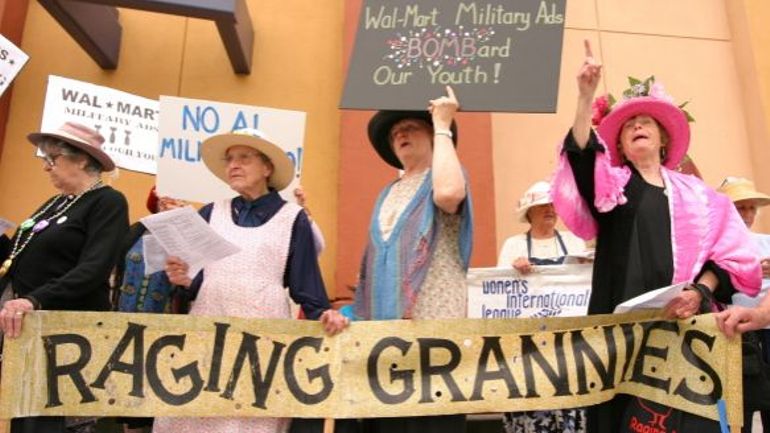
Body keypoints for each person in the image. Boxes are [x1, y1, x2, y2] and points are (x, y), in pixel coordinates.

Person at [551, 40, 761, 433]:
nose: (637, 126)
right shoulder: (611, 188)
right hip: (623, 335)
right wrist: (584, 96)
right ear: (619, 146)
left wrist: (699, 291)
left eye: (646, 122)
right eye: (629, 125)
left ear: (663, 140)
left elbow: (729, 258)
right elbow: (581, 158)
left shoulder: (703, 198)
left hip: (684, 330)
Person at [152, 128, 348, 433]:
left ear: (267, 168)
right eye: (230, 159)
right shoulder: (210, 212)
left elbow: (305, 282)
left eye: (244, 157)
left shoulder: (292, 218)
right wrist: (183, 279)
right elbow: (199, 279)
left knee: (248, 418)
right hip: (209, 326)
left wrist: (323, 313)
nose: (233, 165)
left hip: (262, 335)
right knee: (196, 414)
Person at [353, 85, 472, 433]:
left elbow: (448, 194)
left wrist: (443, 125)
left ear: (432, 134)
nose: (400, 134)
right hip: (387, 340)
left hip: (434, 336)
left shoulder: (446, 175)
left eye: (410, 127)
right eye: (394, 133)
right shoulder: (386, 193)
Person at [0, 122, 129, 433]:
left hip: (65, 335)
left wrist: (34, 299)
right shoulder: (56, 202)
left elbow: (93, 269)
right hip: (29, 331)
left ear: (81, 159)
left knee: (49, 423)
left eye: (52, 159)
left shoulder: (108, 202)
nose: (46, 167)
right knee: (24, 419)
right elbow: (17, 256)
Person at [498, 180, 586, 433]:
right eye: (542, 206)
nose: (549, 210)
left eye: (553, 205)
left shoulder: (574, 242)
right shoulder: (513, 245)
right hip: (527, 343)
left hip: (567, 341)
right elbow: (500, 292)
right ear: (529, 212)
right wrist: (513, 271)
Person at [111, 186, 185, 433]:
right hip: (126, 320)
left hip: (166, 327)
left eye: (173, 200)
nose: (167, 204)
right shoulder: (136, 231)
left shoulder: (187, 237)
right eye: (162, 200)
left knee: (159, 390)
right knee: (128, 392)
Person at [716, 176, 770, 432]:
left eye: (751, 208)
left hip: (767, 329)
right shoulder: (715, 246)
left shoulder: (767, 241)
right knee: (737, 410)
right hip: (733, 331)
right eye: (740, 208)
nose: (747, 214)